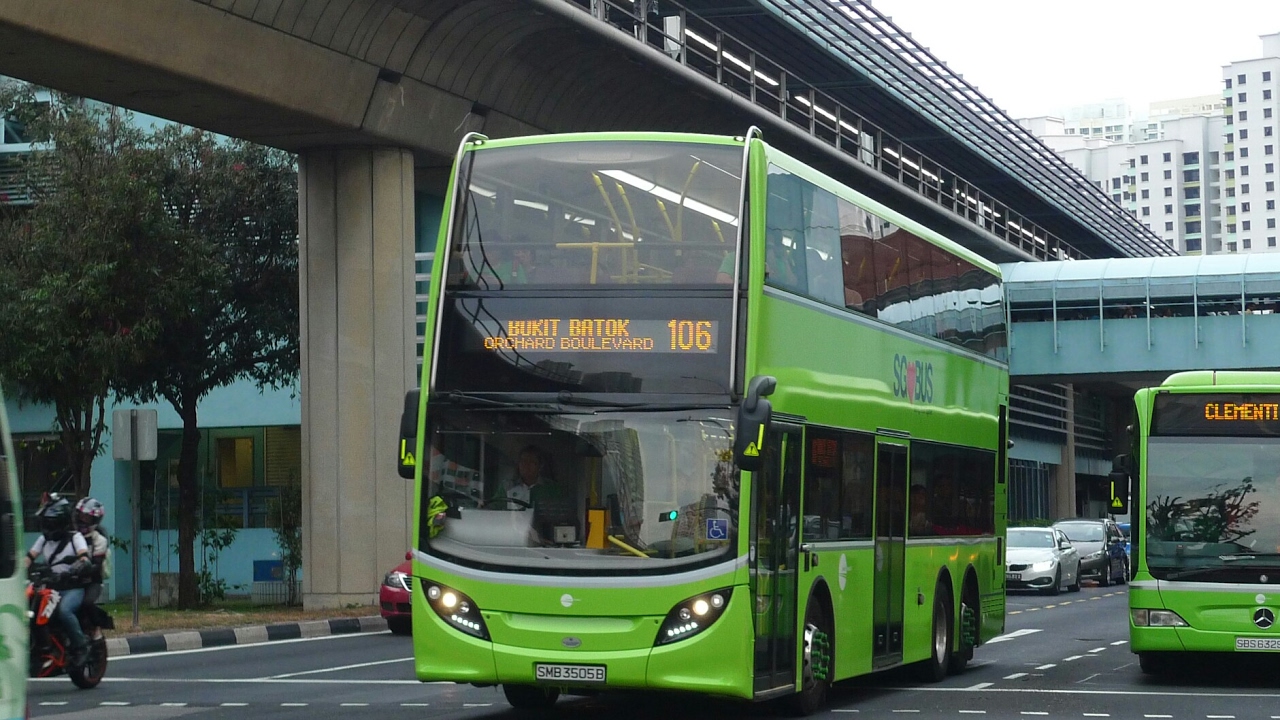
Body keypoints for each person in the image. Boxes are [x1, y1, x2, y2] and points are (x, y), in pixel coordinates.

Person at [28, 494, 91, 665]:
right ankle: (42, 647)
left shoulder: (75, 537)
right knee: (28, 609)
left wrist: (76, 567)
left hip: (72, 588)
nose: (47, 527)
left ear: (60, 521)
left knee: (64, 611)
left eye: (50, 522)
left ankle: (81, 645)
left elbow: (84, 558)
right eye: (45, 522)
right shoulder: (44, 539)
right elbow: (29, 558)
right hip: (49, 589)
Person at [75, 497, 110, 635]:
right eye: (81, 516)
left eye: (87, 518)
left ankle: (96, 630)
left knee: (86, 604)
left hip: (92, 582)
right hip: (72, 580)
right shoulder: (72, 536)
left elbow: (97, 566)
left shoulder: (99, 540)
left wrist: (85, 569)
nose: (83, 520)